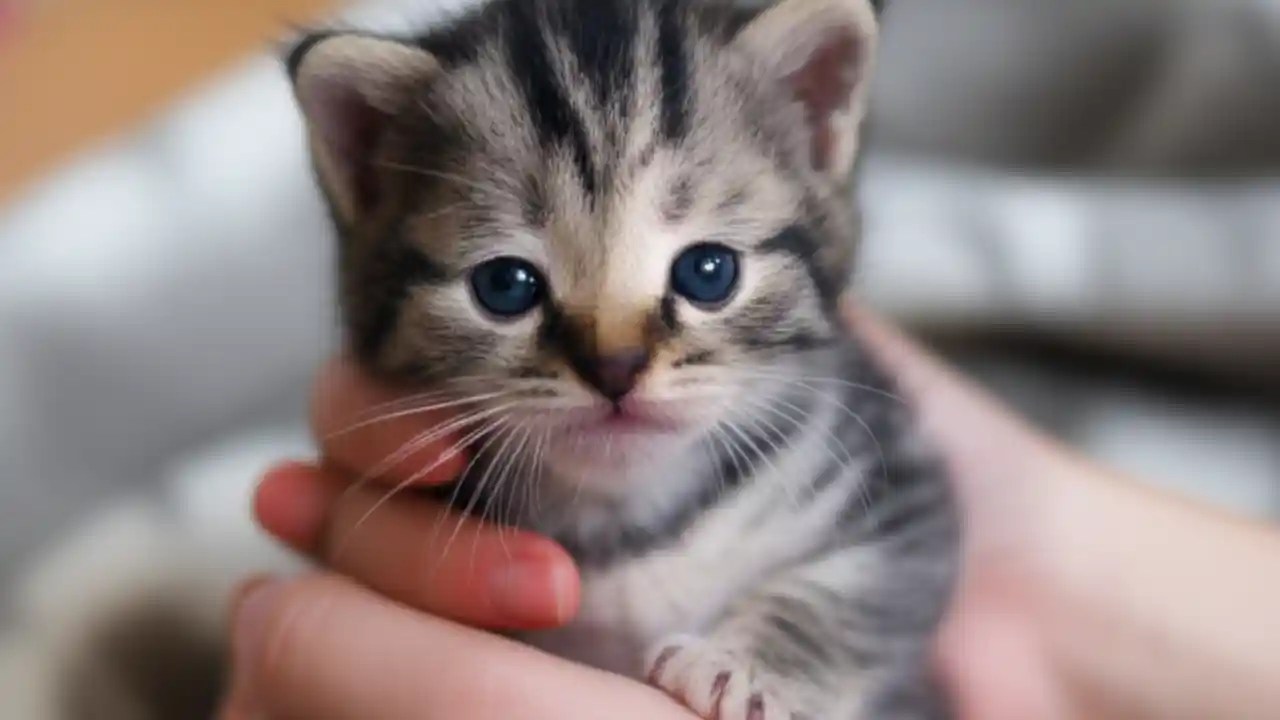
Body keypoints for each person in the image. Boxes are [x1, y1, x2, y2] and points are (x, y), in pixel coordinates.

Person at [216, 306, 1280, 720]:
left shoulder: (854, 442)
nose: (616, 360)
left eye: (705, 271)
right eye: (509, 284)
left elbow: (919, 529)